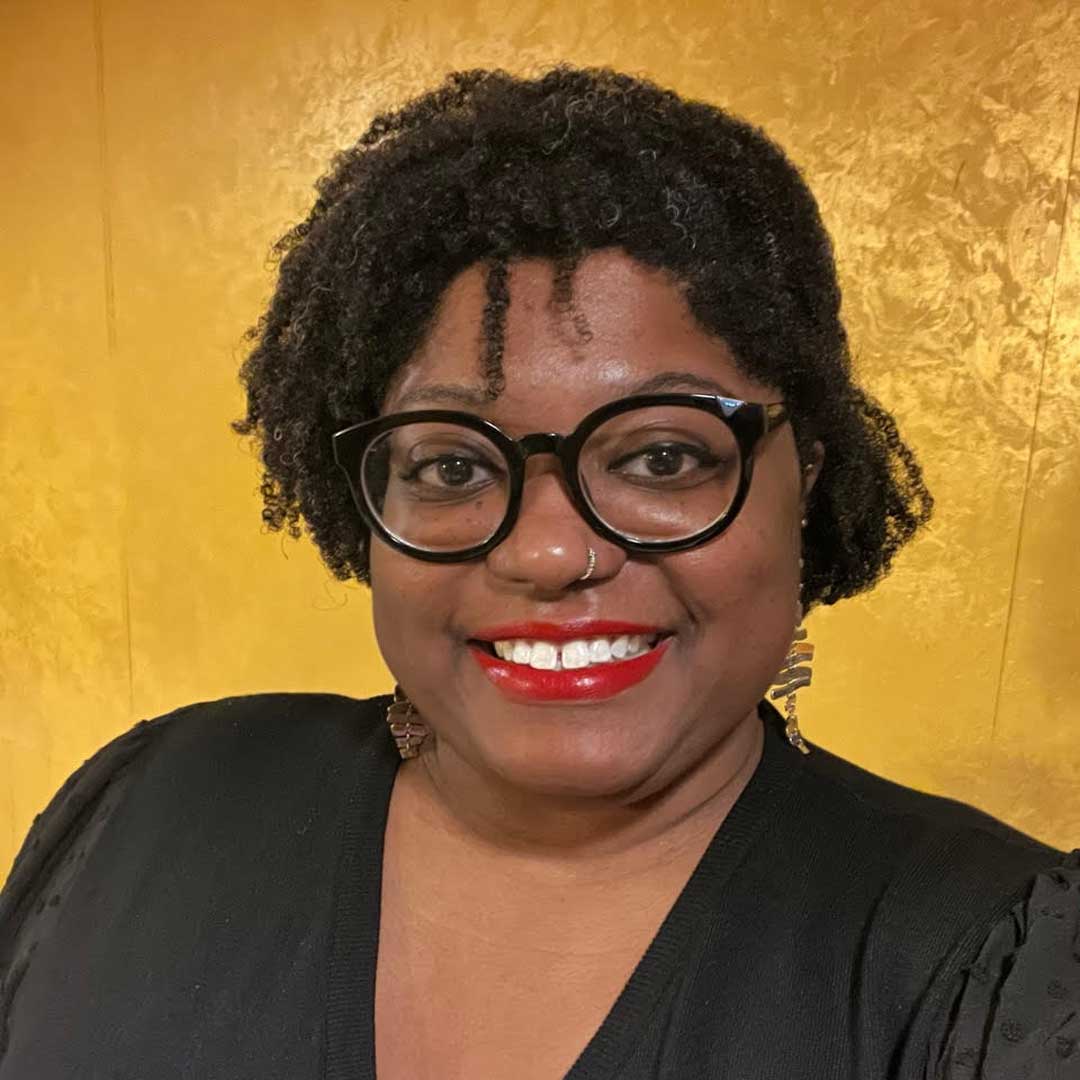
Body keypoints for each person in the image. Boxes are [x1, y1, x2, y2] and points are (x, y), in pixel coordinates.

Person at [0, 65, 1076, 1080]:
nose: (552, 553)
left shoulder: (994, 963)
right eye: (455, 463)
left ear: (810, 480)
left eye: (663, 455)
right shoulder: (145, 813)